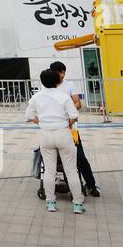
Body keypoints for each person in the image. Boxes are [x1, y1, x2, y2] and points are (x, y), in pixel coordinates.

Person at [27, 68, 85, 214]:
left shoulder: (36, 97)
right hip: (63, 134)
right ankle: (77, 204)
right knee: (71, 170)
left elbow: (28, 115)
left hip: (45, 135)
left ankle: (51, 202)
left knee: (49, 170)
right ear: (59, 81)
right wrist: (67, 123)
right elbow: (74, 115)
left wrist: (40, 122)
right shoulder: (64, 96)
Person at [49, 60, 100, 197]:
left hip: (71, 130)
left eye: (63, 72)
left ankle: (91, 185)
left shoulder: (70, 85)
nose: (62, 75)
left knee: (80, 157)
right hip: (53, 129)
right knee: (56, 160)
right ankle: (62, 184)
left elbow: (78, 103)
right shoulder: (47, 86)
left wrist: (67, 109)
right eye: (59, 72)